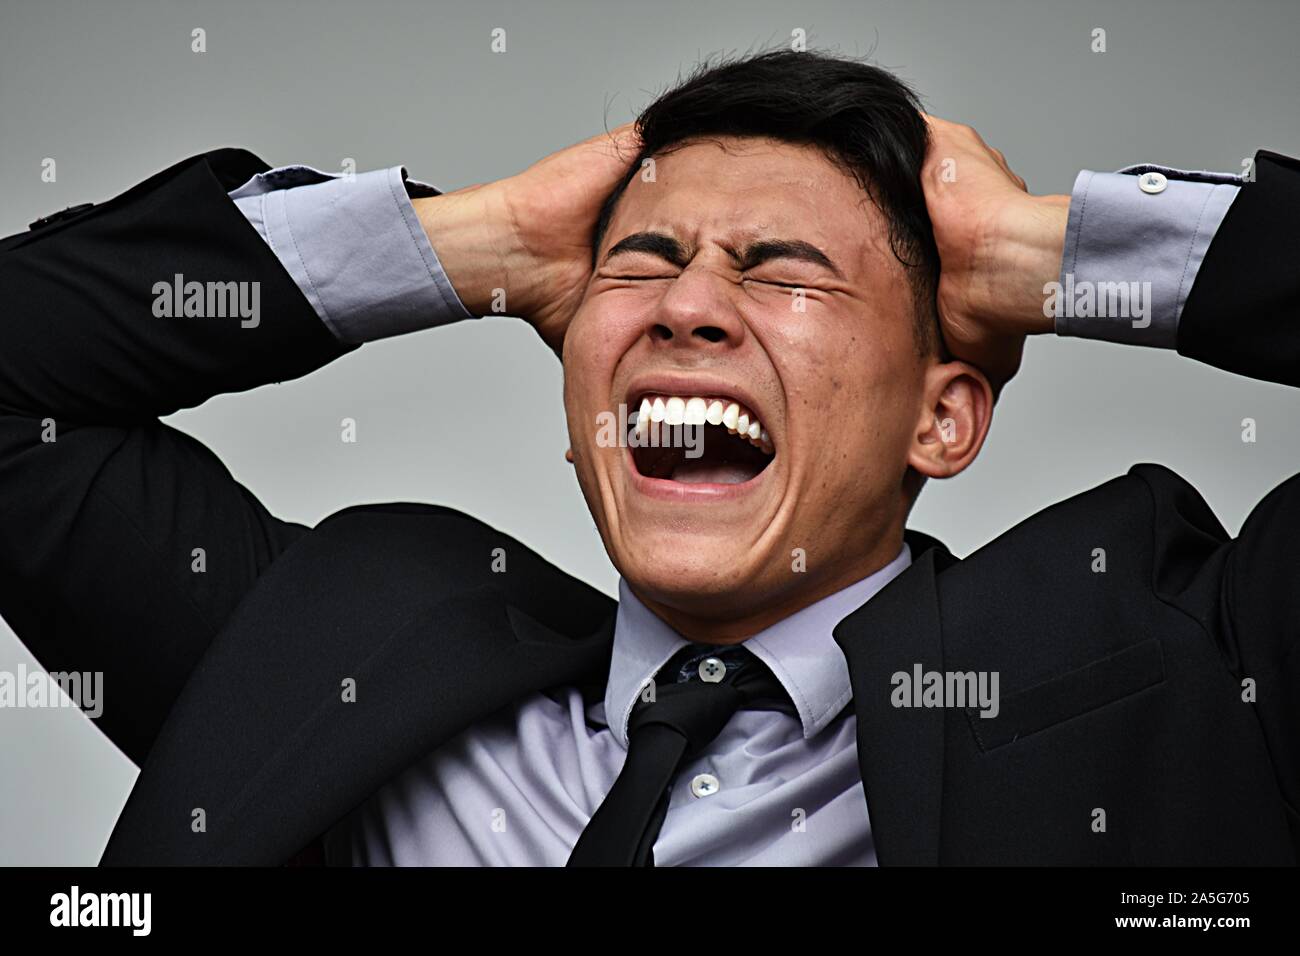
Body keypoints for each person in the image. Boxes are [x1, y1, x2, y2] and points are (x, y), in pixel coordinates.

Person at [0, 51, 1295, 866]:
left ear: (941, 419)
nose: (689, 307)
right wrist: (480, 243)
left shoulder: (1173, 661)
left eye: (785, 273)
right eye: (643, 264)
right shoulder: (342, 652)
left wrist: (1043, 253)